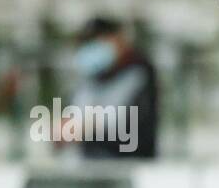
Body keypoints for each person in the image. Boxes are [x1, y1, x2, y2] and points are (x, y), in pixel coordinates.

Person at [60, 17, 158, 159]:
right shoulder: (91, 78)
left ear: (117, 40)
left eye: (97, 42)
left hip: (127, 166)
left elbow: (133, 133)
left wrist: (87, 129)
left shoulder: (139, 75)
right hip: (88, 166)